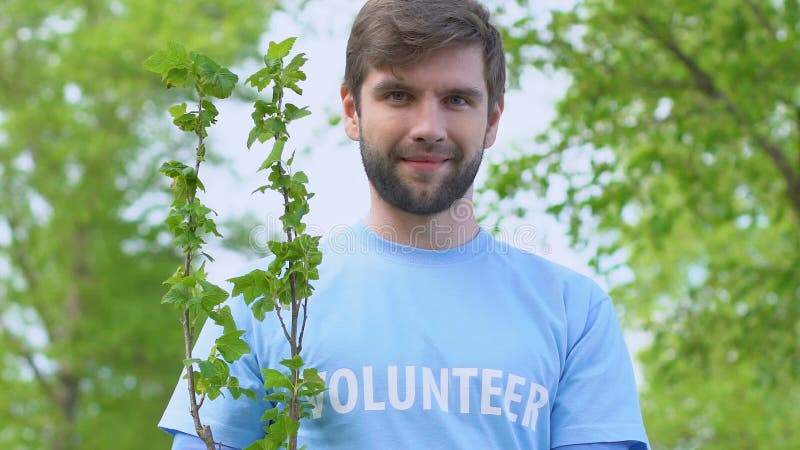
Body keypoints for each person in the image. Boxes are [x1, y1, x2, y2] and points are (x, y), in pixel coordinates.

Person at [159, 0, 650, 448]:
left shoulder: (574, 312)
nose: (428, 128)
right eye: (398, 96)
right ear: (353, 110)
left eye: (457, 100)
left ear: (493, 118)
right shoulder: (268, 301)